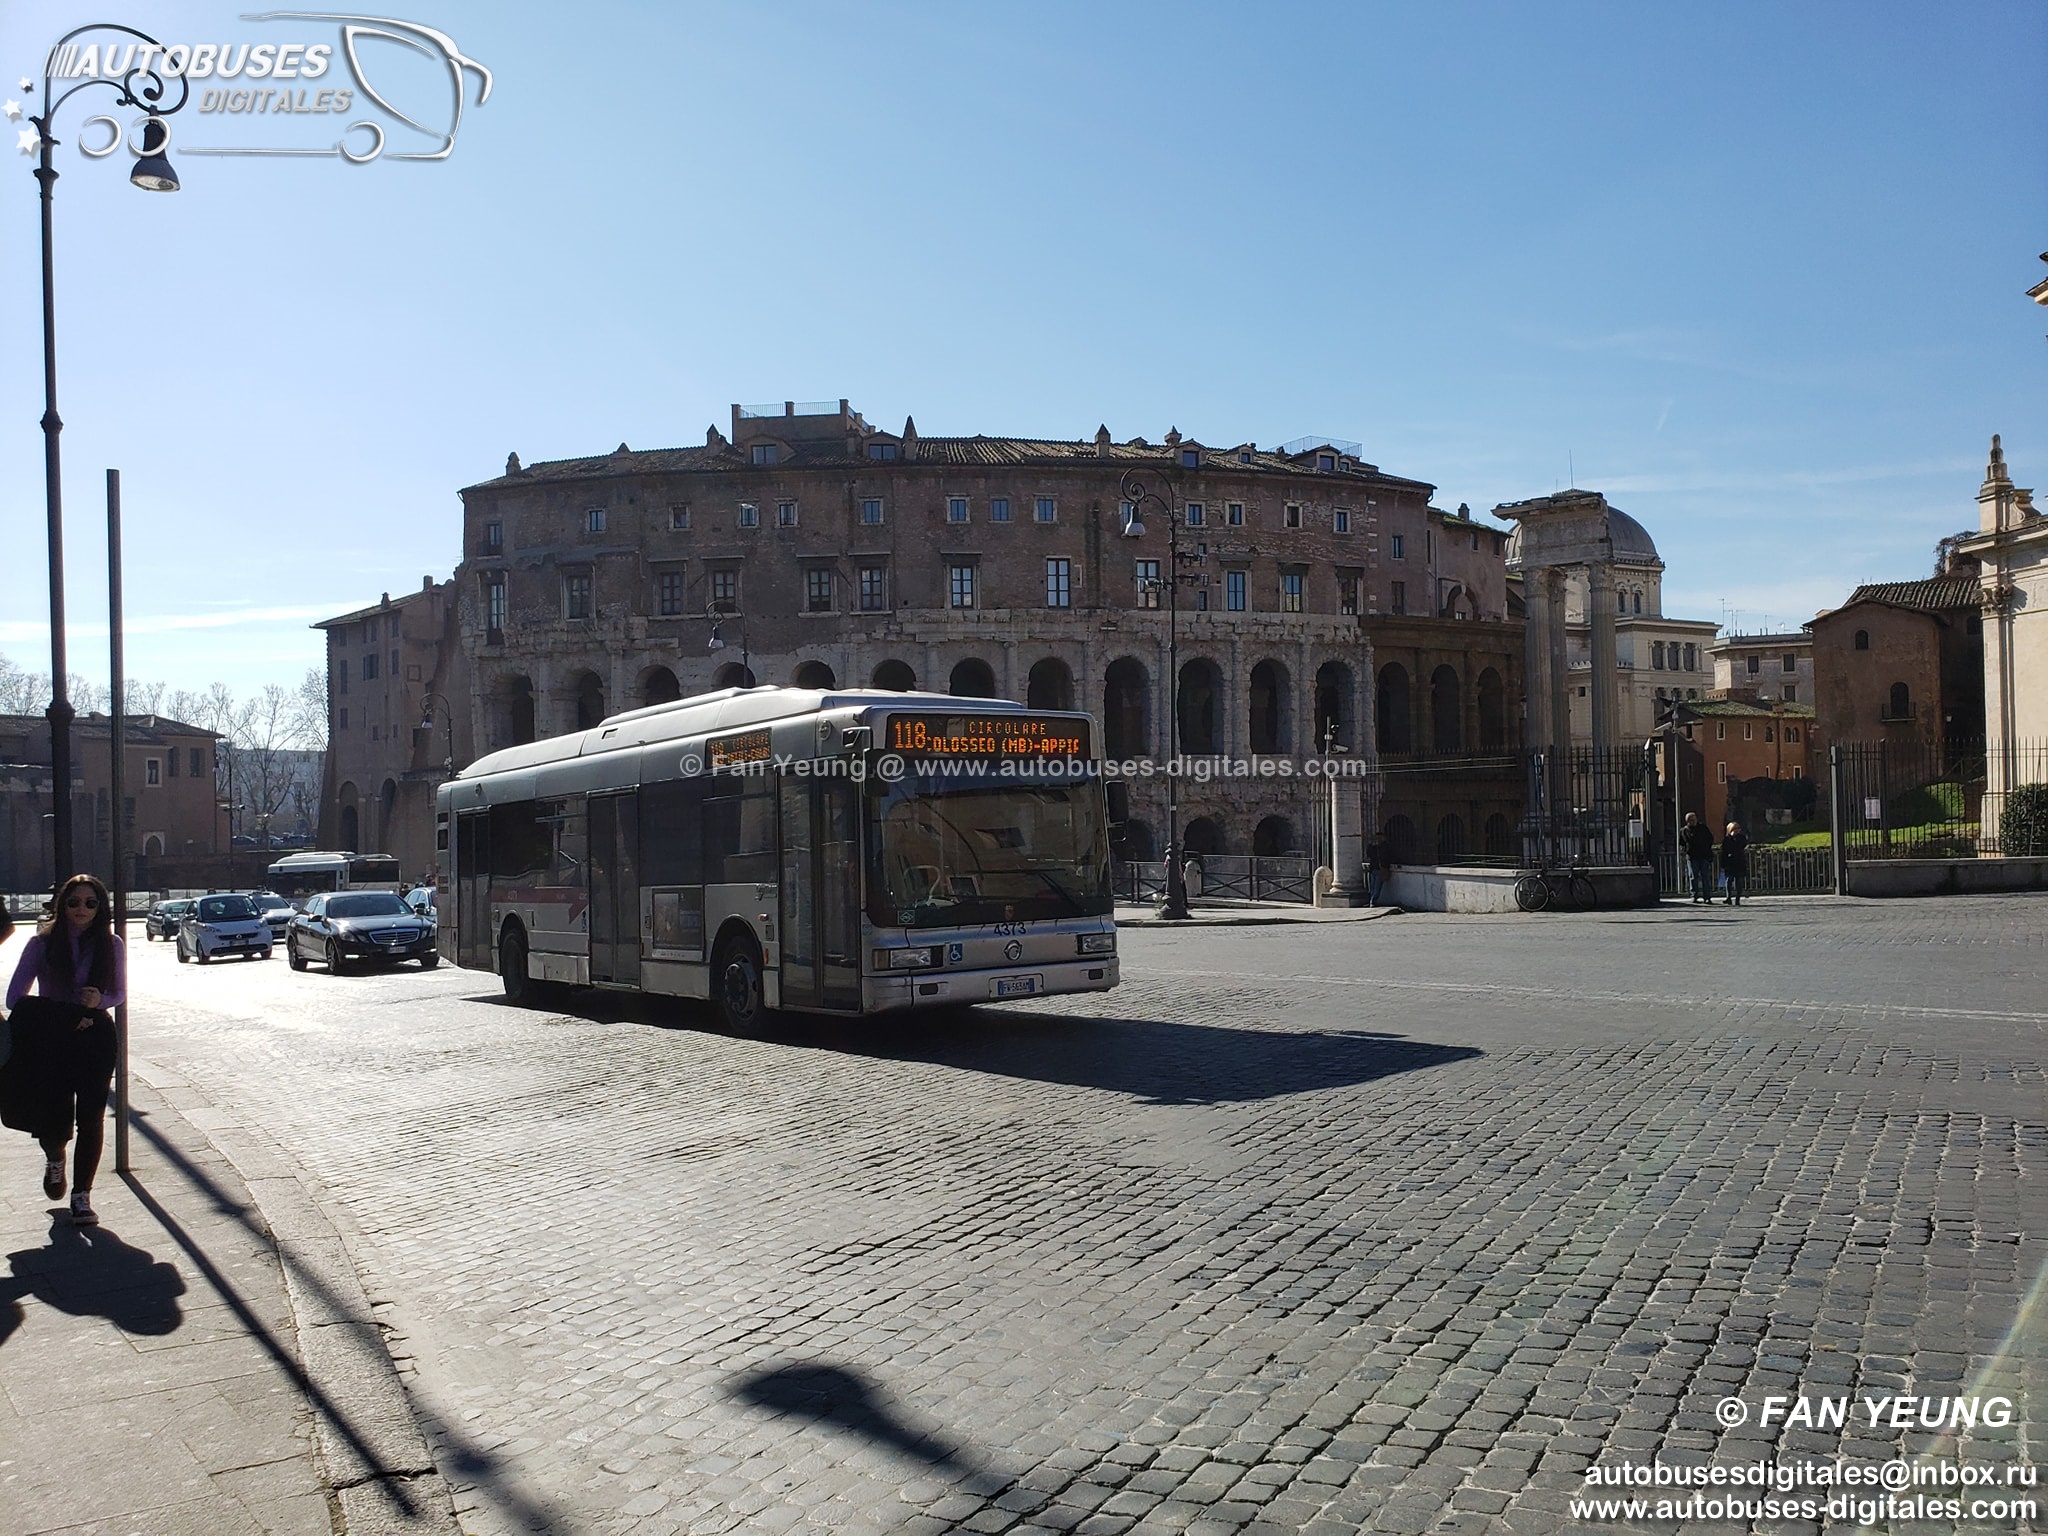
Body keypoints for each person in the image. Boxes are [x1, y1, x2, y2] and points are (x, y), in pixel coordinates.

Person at [6, 874, 124, 1225]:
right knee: (53, 1116)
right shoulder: (41, 944)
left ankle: (82, 1196)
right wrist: (64, 1014)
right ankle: (55, 1157)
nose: (81, 909)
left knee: (92, 1117)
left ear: (100, 908)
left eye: (90, 903)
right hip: (53, 1039)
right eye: (73, 902)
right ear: (62, 904)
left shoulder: (111, 944)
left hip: (95, 1036)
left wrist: (100, 1000)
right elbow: (15, 997)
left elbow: (120, 992)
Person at [1679, 813, 1716, 903]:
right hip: (1692, 856)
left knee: (1705, 877)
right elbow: (1681, 842)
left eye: (1694, 819)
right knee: (1693, 876)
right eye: (1691, 820)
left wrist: (1706, 848)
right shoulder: (1684, 831)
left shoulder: (1703, 828)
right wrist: (1686, 850)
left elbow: (1710, 838)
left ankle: (1707, 897)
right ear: (1687, 821)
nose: (1693, 821)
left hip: (1704, 855)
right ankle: (1694, 895)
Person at [1719, 821, 1750, 907]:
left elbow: (1742, 846)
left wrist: (1736, 838)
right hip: (1730, 863)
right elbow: (1723, 852)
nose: (1736, 830)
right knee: (1729, 880)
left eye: (1738, 828)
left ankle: (1737, 898)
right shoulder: (1726, 840)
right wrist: (1723, 864)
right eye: (1734, 829)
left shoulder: (1741, 838)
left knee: (1739, 881)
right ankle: (1728, 897)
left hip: (1739, 862)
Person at [1366, 833, 1392, 907]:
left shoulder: (1377, 847)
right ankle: (1372, 901)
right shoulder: (1382, 847)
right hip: (1378, 869)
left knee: (1374, 887)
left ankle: (1372, 901)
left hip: (1376, 869)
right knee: (1375, 887)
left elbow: (1368, 854)